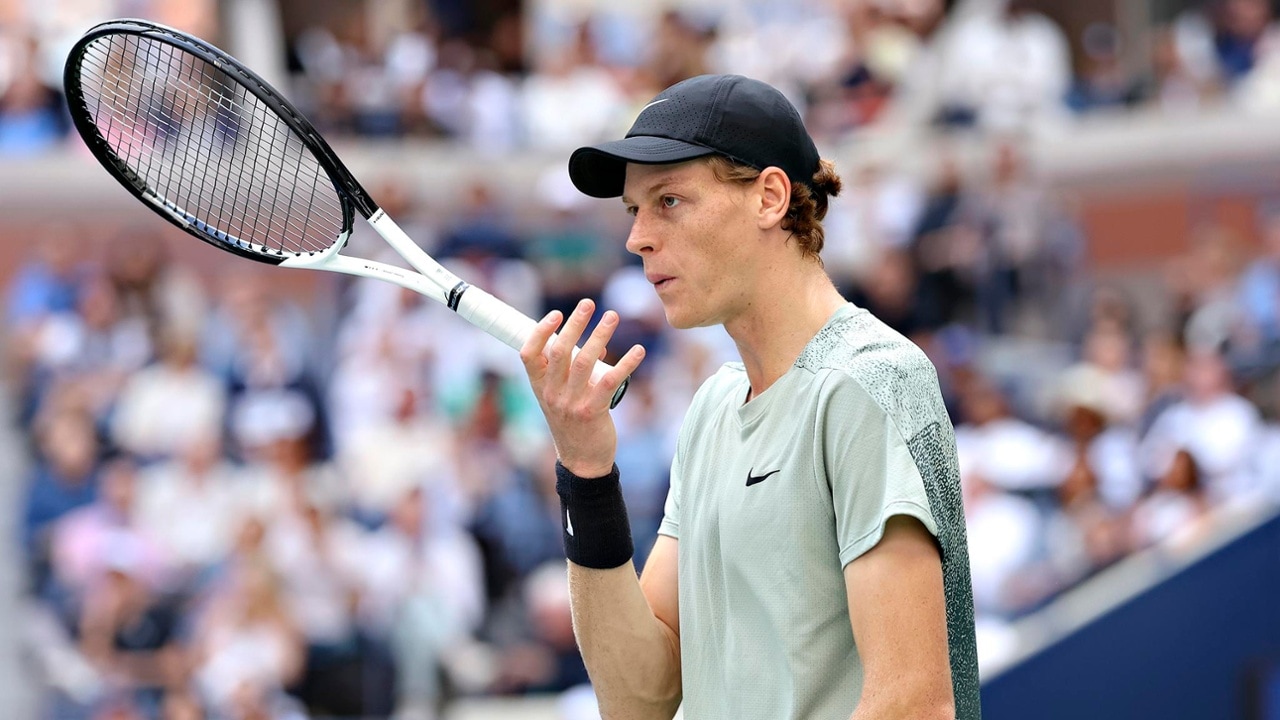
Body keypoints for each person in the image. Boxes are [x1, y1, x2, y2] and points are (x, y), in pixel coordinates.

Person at [518, 74, 979, 719]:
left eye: (669, 201)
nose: (637, 237)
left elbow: (912, 705)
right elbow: (638, 697)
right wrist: (585, 470)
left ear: (769, 196)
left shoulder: (870, 380)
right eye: (633, 210)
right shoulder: (712, 408)